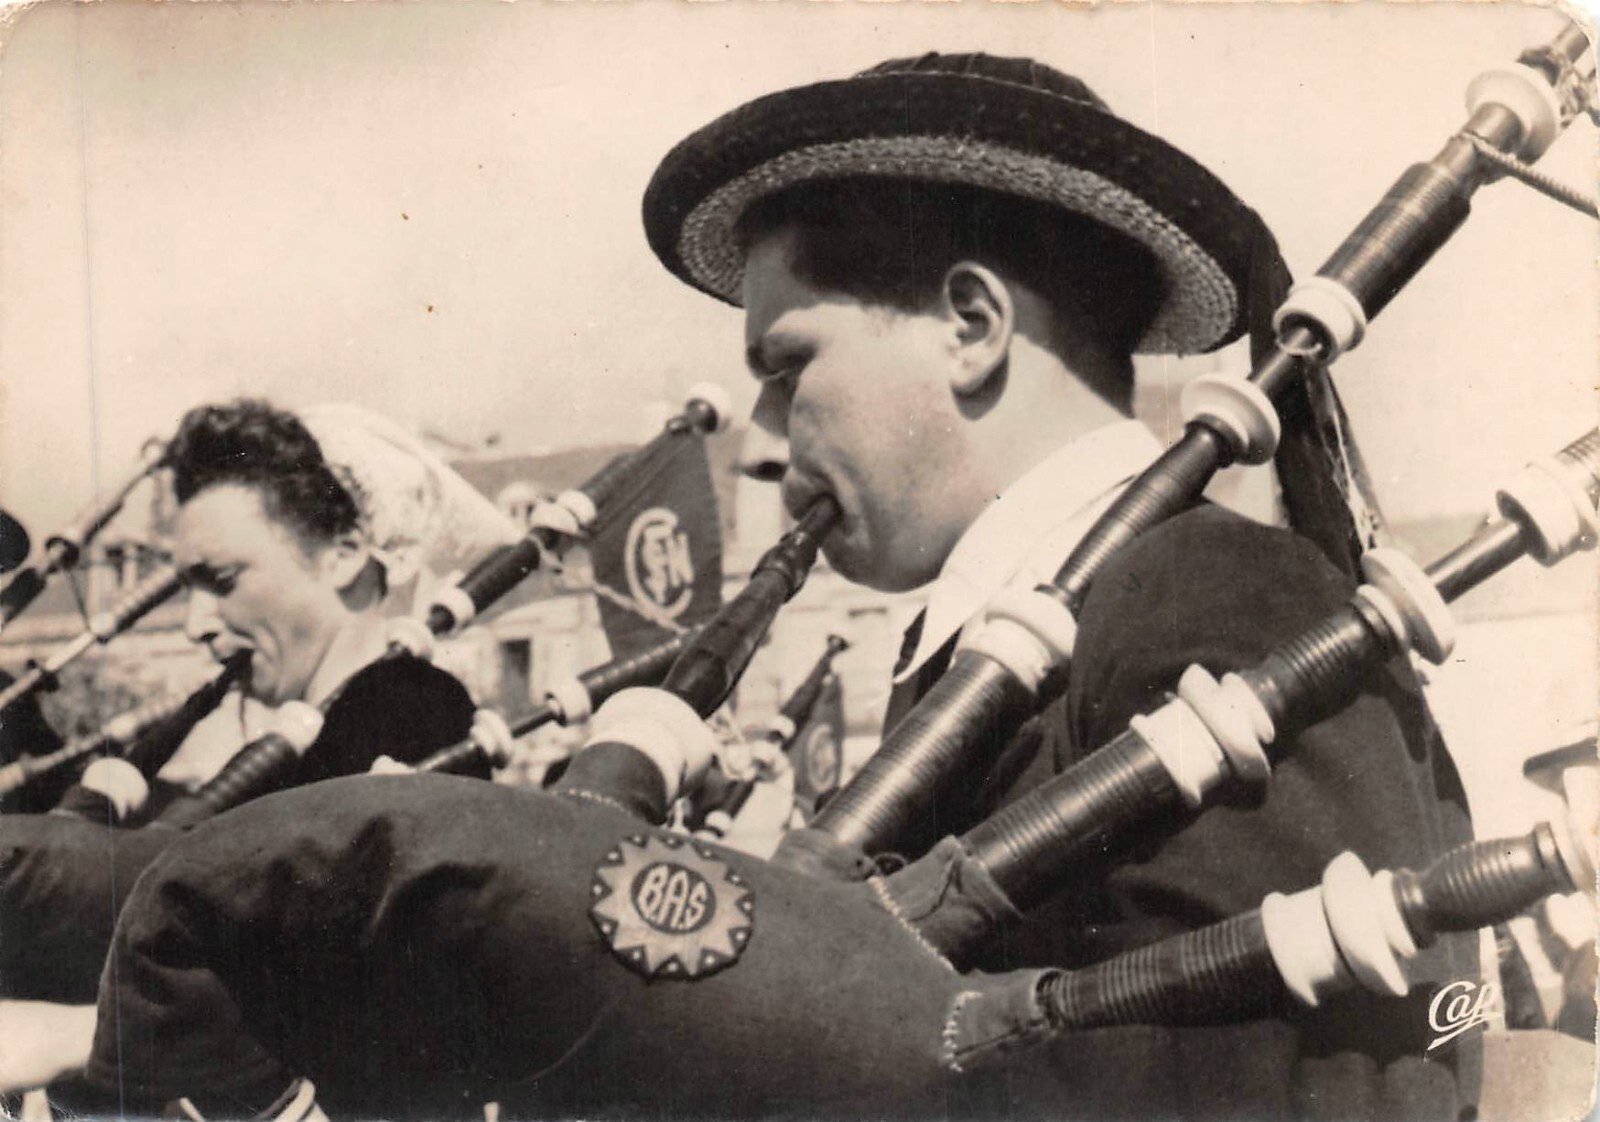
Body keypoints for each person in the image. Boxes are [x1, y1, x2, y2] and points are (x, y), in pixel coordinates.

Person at [62, 56, 1476, 1120]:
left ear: (972, 328)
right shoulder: (1037, 632)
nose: (756, 442)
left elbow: (1318, 1090)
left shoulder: (1213, 595)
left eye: (788, 366)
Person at [0, 399, 505, 1013]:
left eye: (222, 581)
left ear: (344, 554)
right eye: (188, 590)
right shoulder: (357, 720)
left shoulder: (409, 715)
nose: (195, 626)